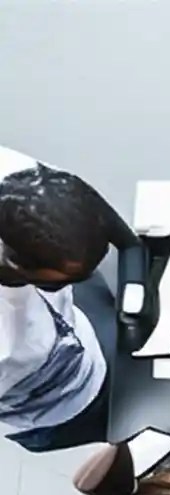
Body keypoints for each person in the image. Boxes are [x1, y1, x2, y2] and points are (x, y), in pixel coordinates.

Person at [1, 144, 134, 453]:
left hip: (80, 341)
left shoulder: (20, 186)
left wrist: (133, 257)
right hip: (57, 409)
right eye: (70, 278)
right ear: (22, 267)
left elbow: (96, 212)